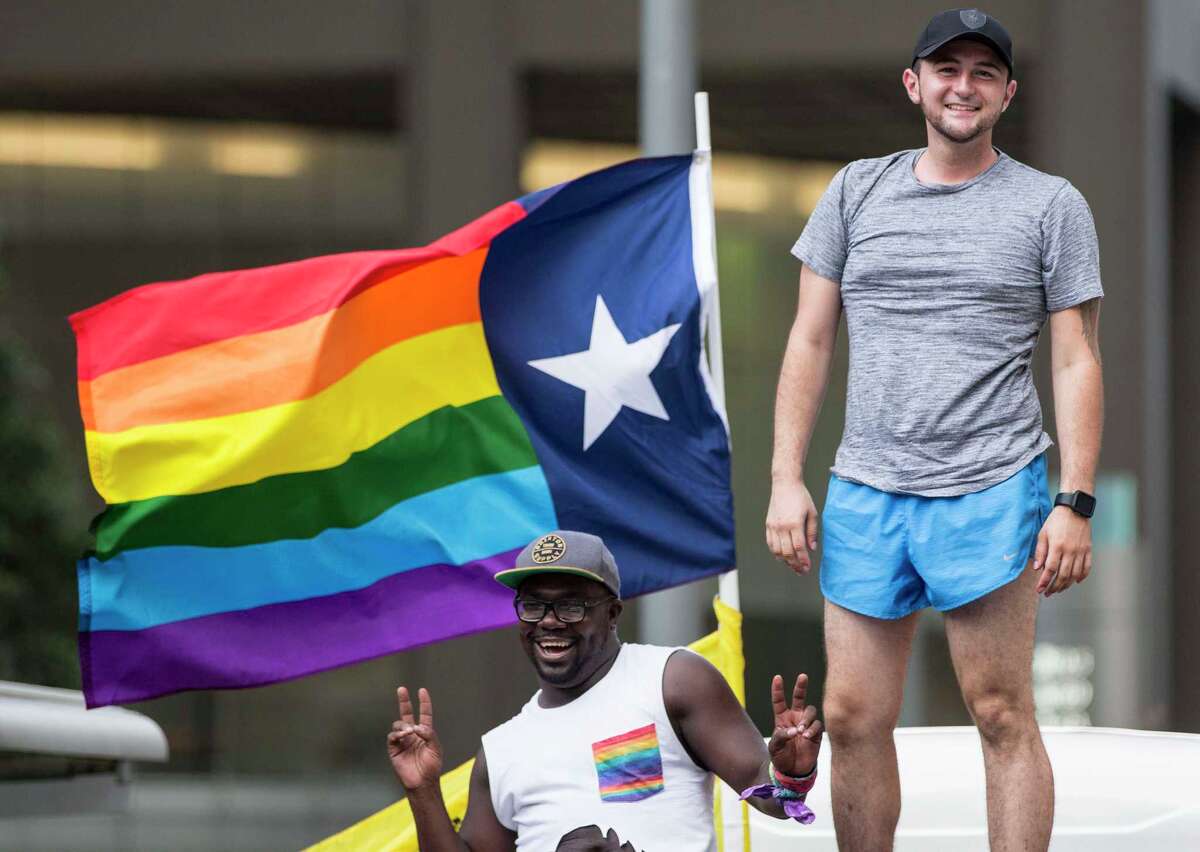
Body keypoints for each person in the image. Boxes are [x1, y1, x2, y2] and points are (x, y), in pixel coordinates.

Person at [766, 8, 1103, 852]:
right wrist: (784, 477)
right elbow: (809, 338)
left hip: (992, 483)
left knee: (1000, 712)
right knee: (850, 716)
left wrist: (1076, 500)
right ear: (914, 84)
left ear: (1007, 93)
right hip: (867, 486)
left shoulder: (1050, 205)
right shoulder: (855, 189)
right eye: (947, 69)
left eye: (983, 72)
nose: (964, 86)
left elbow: (1076, 360)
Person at [387, 529, 823, 851]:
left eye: (571, 604)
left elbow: (771, 795)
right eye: (534, 604)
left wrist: (791, 774)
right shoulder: (499, 750)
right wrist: (423, 790)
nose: (550, 621)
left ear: (612, 613)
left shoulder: (673, 680)